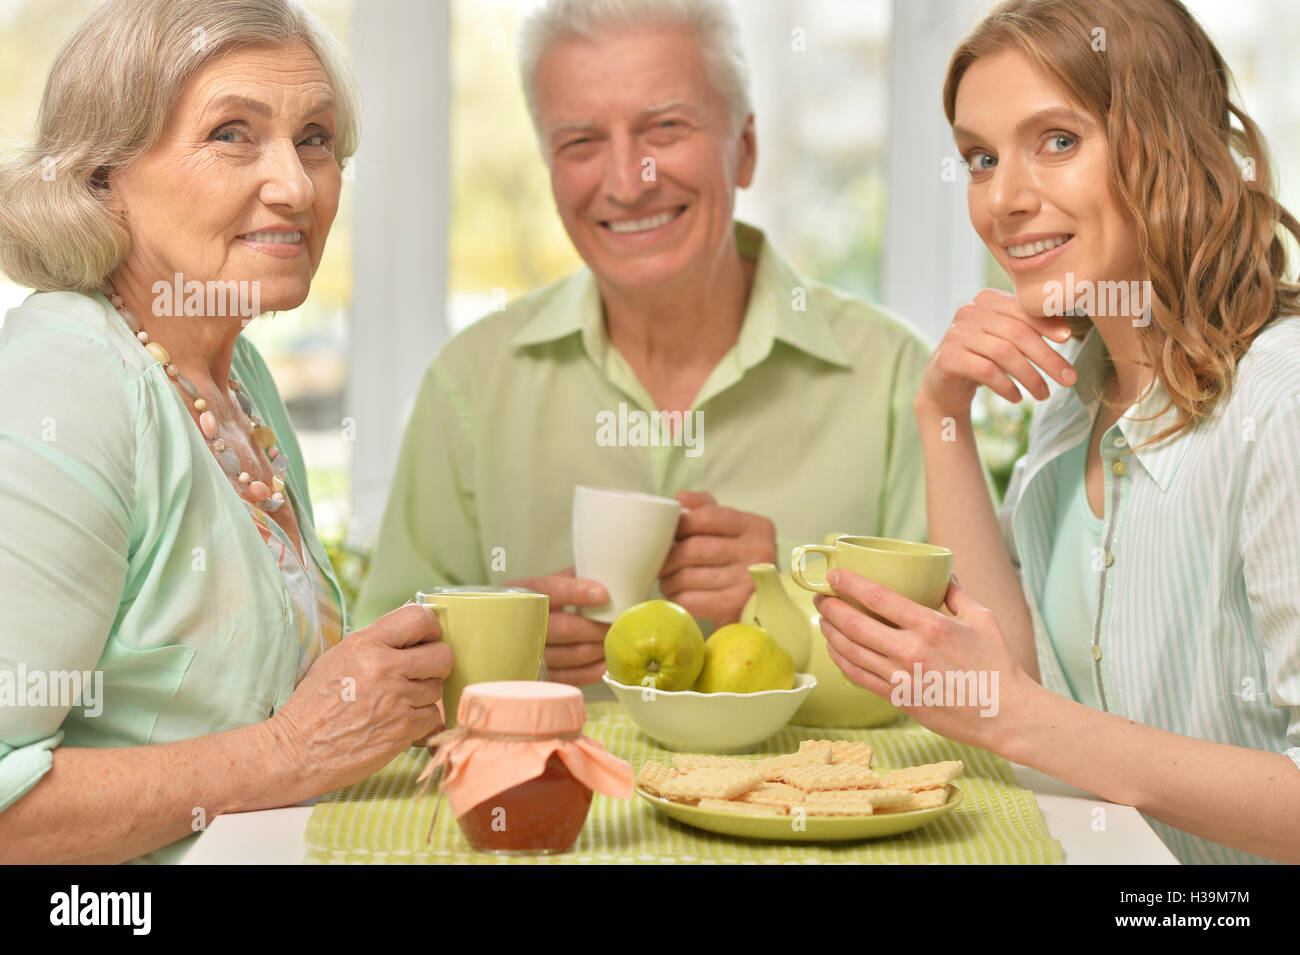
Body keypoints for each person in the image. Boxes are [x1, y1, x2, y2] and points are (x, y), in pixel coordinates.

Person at [814, 0, 1300, 864]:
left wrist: (1012, 712)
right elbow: (1019, 694)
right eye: (980, 158)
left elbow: (1022, 715)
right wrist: (942, 415)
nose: (1003, 198)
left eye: (1059, 141)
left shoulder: (1280, 401)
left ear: (1169, 145)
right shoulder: (1073, 403)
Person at [354, 0, 935, 690]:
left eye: (665, 127)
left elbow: (953, 678)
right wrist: (506, 644)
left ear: (745, 150)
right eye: (581, 143)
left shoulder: (894, 377)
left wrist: (779, 596)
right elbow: (378, 667)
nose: (629, 183)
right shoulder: (471, 381)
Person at [0, 0, 452, 864]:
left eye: (314, 136)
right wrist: (290, 751)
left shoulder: (235, 374)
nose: (294, 185)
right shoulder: (69, 375)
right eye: (232, 134)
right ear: (102, 176)